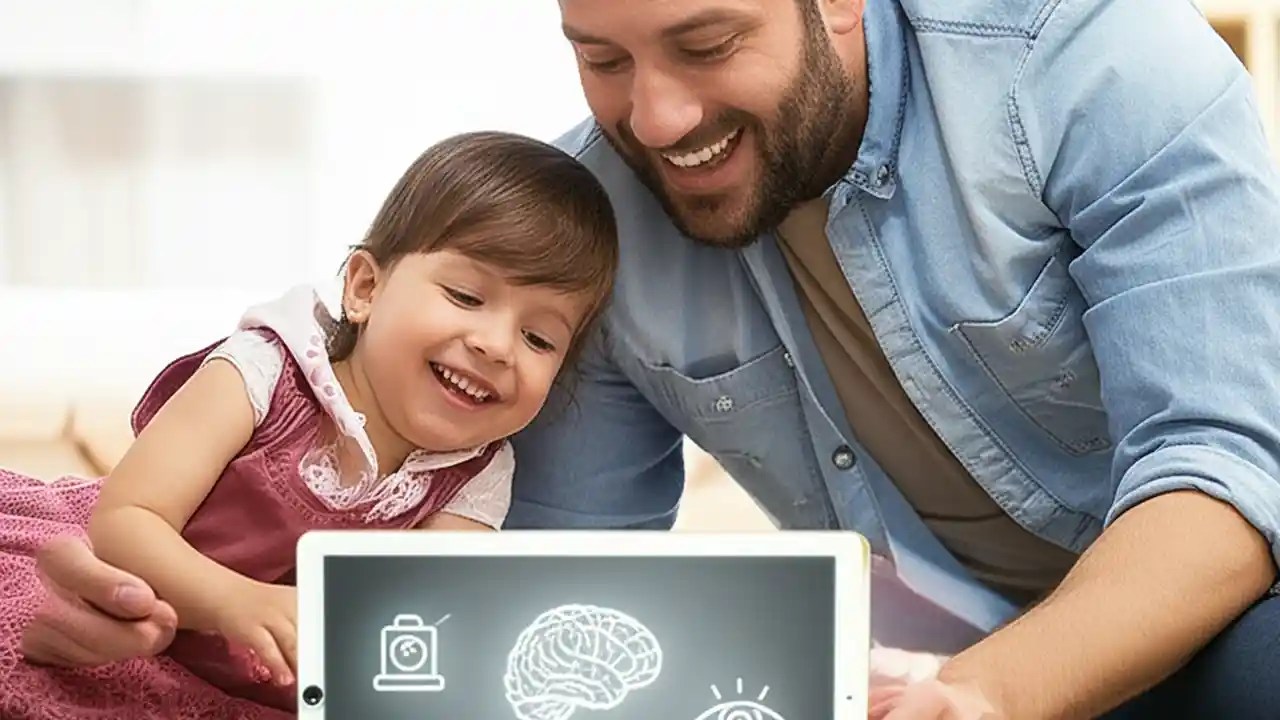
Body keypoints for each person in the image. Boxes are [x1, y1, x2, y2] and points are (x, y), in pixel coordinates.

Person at [19, 0, 1280, 717]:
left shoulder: (1094, 64)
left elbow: (1225, 472)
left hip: (1218, 621)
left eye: (706, 41)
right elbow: (550, 589)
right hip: (916, 667)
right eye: (602, 55)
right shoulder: (589, 235)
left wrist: (990, 698)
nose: (655, 119)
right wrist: (157, 622)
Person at [0, 130, 618, 718]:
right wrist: (233, 600)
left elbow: (433, 609)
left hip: (266, 686)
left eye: (539, 337)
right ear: (364, 288)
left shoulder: (478, 472)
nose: (497, 345)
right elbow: (125, 519)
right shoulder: (264, 370)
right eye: (465, 296)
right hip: (125, 591)